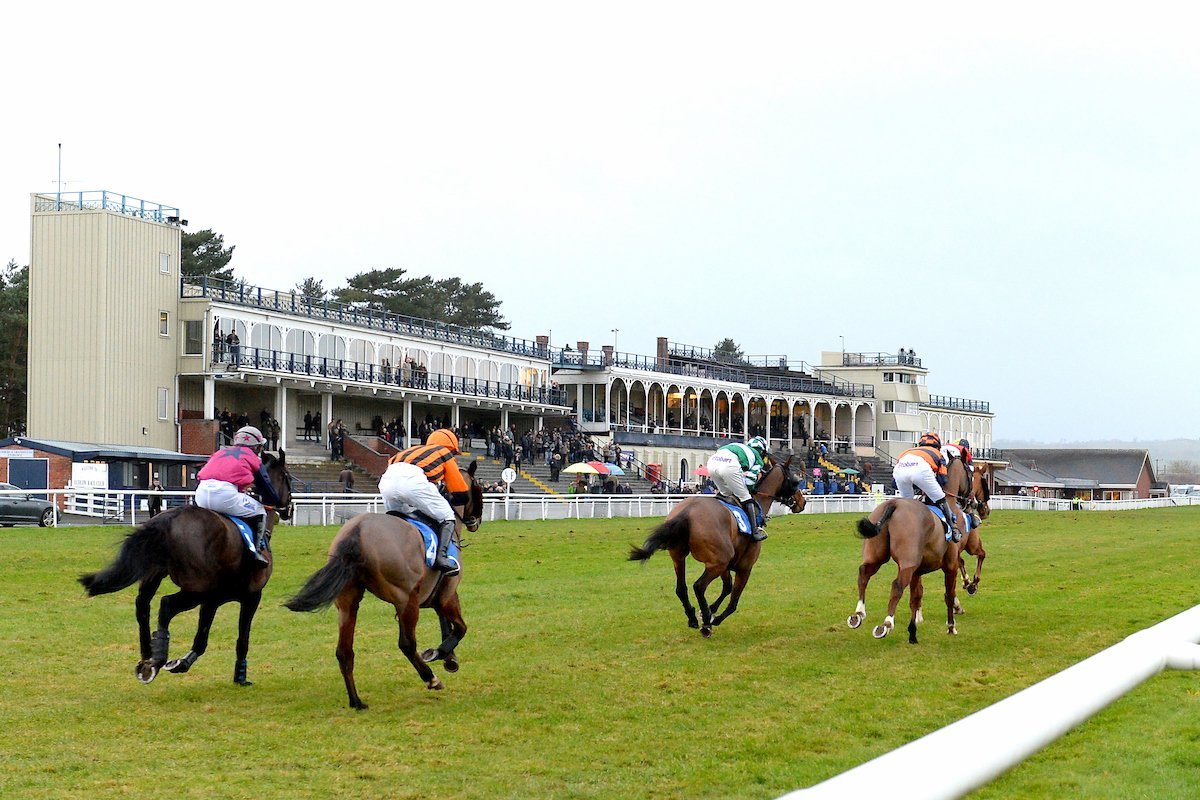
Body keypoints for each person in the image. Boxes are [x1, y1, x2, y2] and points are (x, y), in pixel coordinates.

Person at [378, 427, 468, 575]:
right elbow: (460, 490)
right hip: (413, 482)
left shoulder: (408, 451)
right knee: (447, 515)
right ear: (450, 448)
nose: (453, 456)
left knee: (400, 518)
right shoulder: (444, 452)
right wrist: (454, 498)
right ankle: (442, 558)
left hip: (386, 481)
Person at [194, 425, 282, 567]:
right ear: (256, 447)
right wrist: (275, 501)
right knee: (260, 511)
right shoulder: (253, 458)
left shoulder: (219, 453)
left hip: (201, 493)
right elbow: (266, 489)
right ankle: (258, 551)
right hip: (225, 495)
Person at [893, 432, 957, 542]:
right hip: (922, 471)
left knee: (907, 505)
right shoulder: (938, 453)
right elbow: (942, 479)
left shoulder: (906, 452)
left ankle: (902, 528)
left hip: (900, 471)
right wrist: (928, 489)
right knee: (941, 498)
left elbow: (893, 484)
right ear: (937, 445)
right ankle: (953, 528)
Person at [705, 435, 771, 541]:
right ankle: (755, 531)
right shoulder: (757, 457)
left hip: (712, 462)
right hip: (728, 465)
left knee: (726, 493)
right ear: (762, 451)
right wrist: (751, 489)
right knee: (746, 497)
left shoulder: (740, 447)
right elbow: (750, 481)